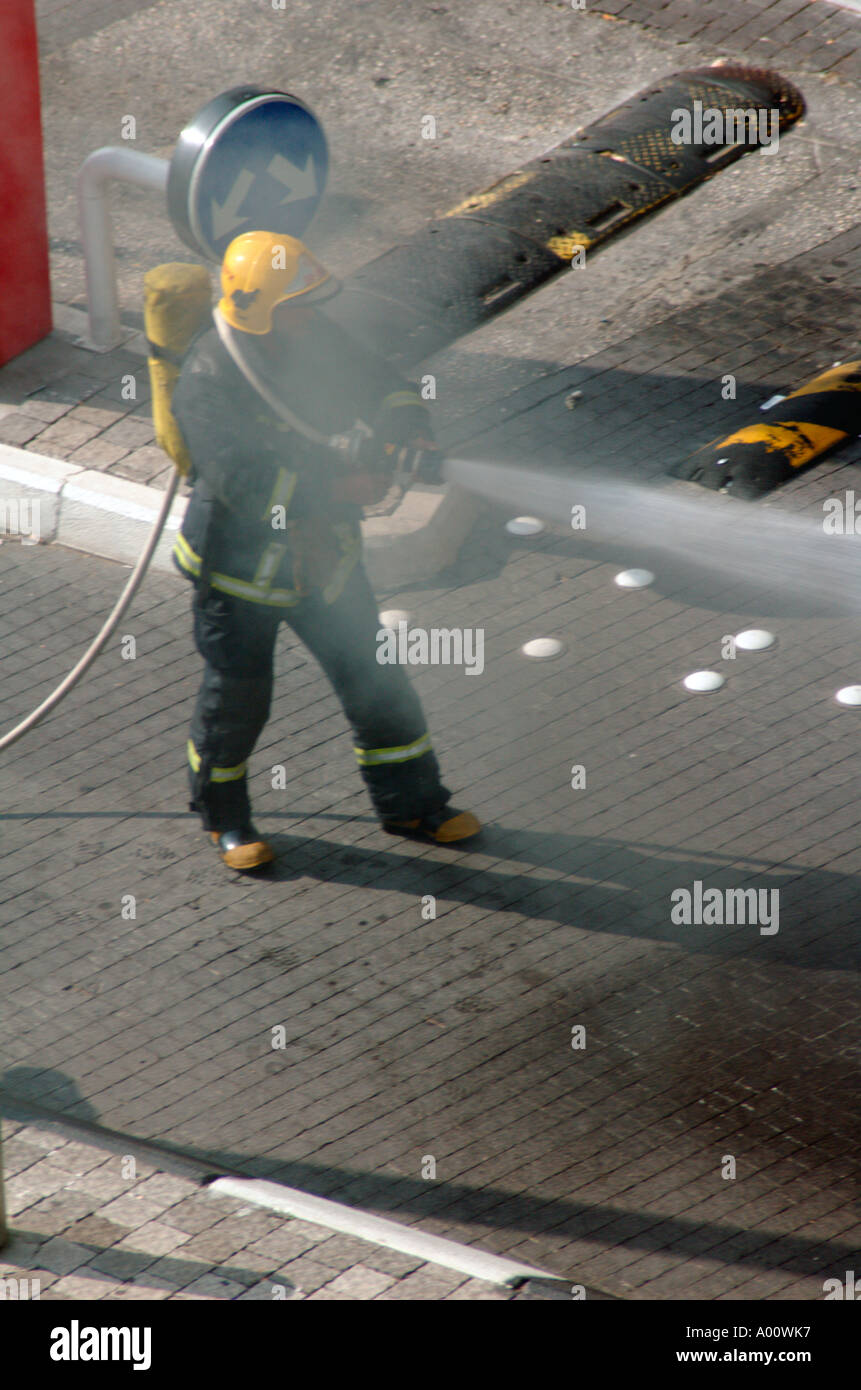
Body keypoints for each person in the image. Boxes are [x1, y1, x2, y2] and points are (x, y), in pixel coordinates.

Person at [170, 229, 480, 870]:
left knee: (377, 681)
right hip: (240, 570)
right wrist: (343, 484)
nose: (314, 315)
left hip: (325, 561)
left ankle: (414, 804)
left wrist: (407, 435)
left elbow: (384, 384)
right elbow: (245, 482)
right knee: (239, 702)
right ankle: (224, 820)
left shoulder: (311, 334)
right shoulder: (208, 376)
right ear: (264, 312)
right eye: (299, 304)